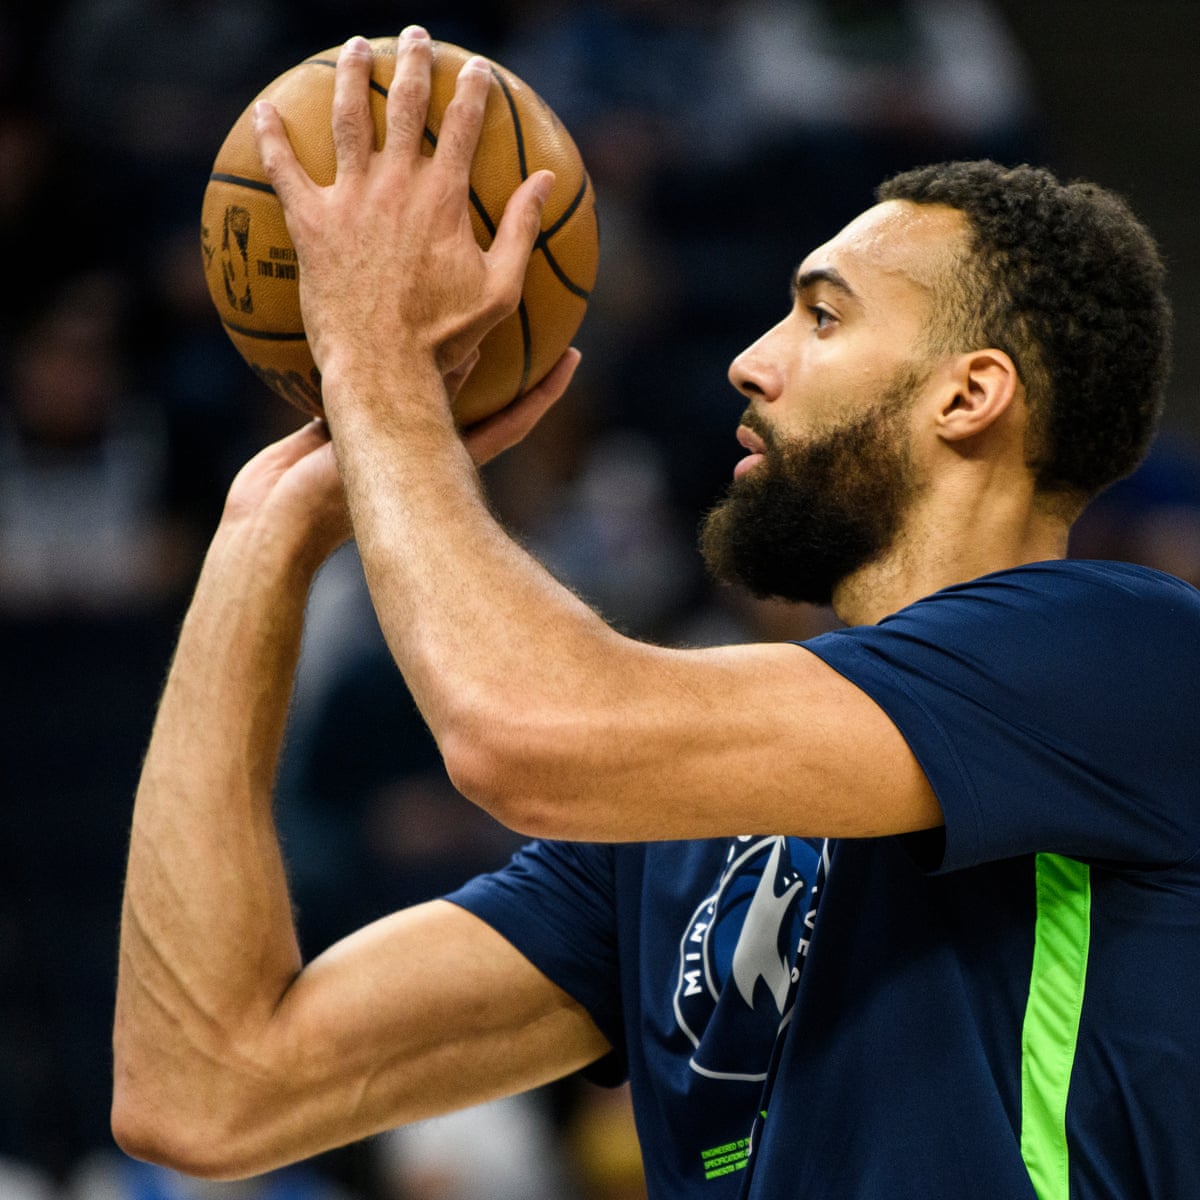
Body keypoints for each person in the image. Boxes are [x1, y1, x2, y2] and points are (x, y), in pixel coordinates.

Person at [111, 28, 1196, 1200]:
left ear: (970, 394)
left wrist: (378, 369)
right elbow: (206, 1089)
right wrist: (260, 543)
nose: (748, 360)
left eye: (821, 317)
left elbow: (520, 734)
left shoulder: (1130, 656)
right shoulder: (670, 831)